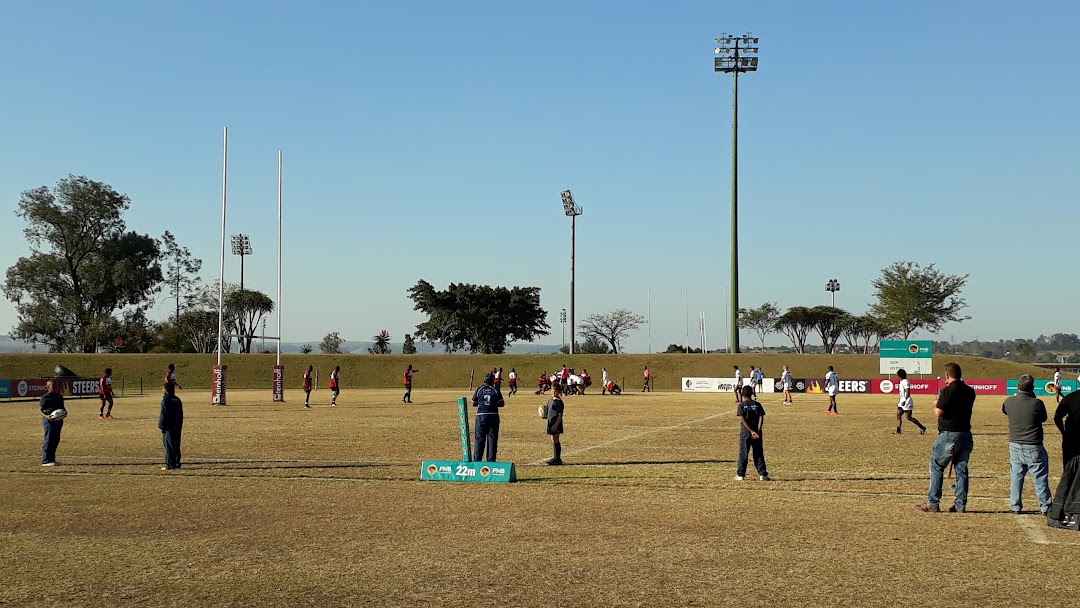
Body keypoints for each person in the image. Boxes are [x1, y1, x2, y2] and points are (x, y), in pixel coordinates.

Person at [917, 362, 976, 513]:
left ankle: (933, 502)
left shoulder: (946, 391)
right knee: (961, 470)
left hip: (949, 434)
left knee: (937, 467)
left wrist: (935, 404)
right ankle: (960, 504)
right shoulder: (970, 391)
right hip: (965, 434)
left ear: (947, 375)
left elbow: (939, 412)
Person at [1002, 374, 1052, 515]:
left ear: (1018, 386)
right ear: (1033, 388)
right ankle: (1045, 506)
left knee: (1016, 476)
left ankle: (1015, 505)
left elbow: (1005, 411)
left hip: (1015, 444)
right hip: (1033, 445)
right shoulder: (1037, 403)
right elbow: (1043, 418)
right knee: (1040, 477)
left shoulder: (1009, 401)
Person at [735, 386, 770, 481]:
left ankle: (741, 474)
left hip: (746, 433)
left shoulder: (741, 405)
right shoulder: (757, 405)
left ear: (742, 395)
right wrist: (758, 430)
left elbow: (742, 419)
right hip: (757, 433)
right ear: (752, 393)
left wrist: (751, 431)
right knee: (758, 453)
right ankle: (762, 474)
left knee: (744, 453)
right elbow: (761, 418)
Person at [472, 373, 505, 461]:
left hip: (481, 415)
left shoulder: (479, 389)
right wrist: (493, 404)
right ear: (493, 381)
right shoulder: (495, 389)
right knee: (492, 439)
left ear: (484, 380)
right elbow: (502, 403)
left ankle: (477, 460)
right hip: (493, 415)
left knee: (479, 439)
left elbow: (474, 403)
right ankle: (491, 461)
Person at [158, 383, 184, 471]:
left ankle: (170, 464)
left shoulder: (166, 400)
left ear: (166, 390)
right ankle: (177, 462)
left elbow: (164, 413)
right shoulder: (177, 399)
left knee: (168, 445)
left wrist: (162, 426)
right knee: (176, 444)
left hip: (169, 427)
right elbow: (181, 414)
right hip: (177, 425)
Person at [39, 379, 65, 467]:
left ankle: (52, 459)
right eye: (53, 386)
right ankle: (46, 460)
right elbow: (40, 410)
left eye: (56, 386)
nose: (56, 388)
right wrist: (47, 417)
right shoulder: (45, 397)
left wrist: (64, 414)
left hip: (59, 421)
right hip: (49, 421)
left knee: (56, 439)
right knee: (49, 439)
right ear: (48, 387)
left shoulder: (59, 397)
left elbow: (62, 408)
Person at [895, 369, 927, 434]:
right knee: (898, 414)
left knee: (908, 417)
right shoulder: (902, 381)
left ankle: (922, 427)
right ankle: (898, 429)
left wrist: (905, 400)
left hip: (907, 402)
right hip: (902, 401)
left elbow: (908, 391)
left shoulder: (905, 382)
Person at [1054, 388, 1080, 470]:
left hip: (1072, 435)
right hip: (1072, 435)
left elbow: (1057, 417)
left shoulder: (1069, 397)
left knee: (1069, 467)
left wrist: (1063, 432)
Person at [544, 387, 566, 465]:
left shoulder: (559, 402)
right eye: (552, 390)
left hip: (556, 423)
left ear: (559, 392)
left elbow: (560, 415)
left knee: (556, 439)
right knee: (553, 439)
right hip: (550, 423)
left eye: (555, 391)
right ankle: (555, 458)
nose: (553, 392)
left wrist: (556, 425)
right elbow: (547, 411)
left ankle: (557, 459)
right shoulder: (550, 400)